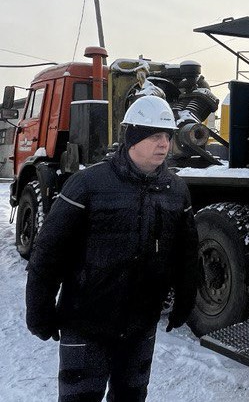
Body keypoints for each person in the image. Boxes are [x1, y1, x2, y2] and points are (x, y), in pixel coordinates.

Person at [25, 95, 199, 402]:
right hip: (85, 322)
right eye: (155, 135)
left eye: (168, 136)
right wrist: (39, 310)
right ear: (133, 137)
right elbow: (49, 252)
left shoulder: (176, 191)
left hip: (140, 325)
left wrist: (185, 301)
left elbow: (185, 254)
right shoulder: (88, 184)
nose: (164, 144)